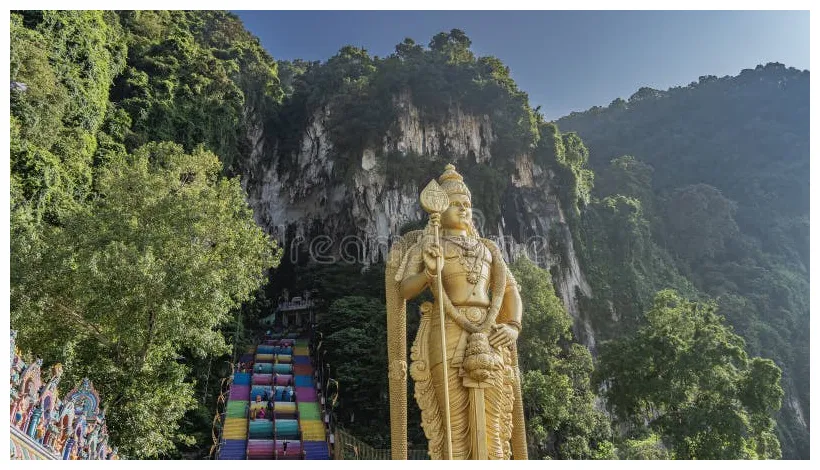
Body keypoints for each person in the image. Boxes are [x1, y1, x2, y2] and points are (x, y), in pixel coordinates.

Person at [387, 164, 526, 460]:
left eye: (467, 205)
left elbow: (511, 291)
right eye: (456, 204)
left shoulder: (488, 248)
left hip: (490, 334)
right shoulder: (427, 244)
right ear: (440, 207)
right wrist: (428, 272)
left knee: (496, 421)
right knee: (454, 423)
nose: (464, 209)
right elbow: (403, 290)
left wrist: (512, 324)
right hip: (447, 329)